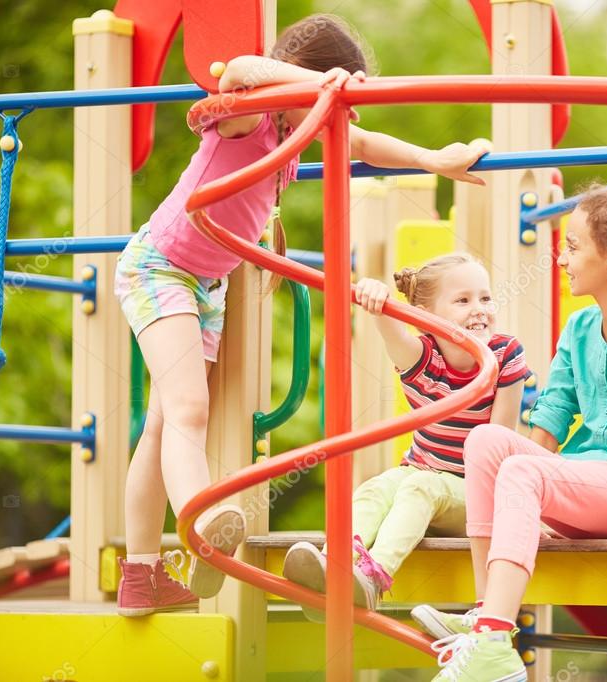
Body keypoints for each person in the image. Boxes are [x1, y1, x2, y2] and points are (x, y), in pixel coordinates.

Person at [114, 14, 491, 617]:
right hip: (160, 267)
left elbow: (363, 145)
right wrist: (317, 86)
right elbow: (237, 69)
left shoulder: (296, 134)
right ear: (304, 81)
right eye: (329, 101)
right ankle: (205, 528)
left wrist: (433, 160)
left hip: (207, 283)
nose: (333, 124)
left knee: (164, 425)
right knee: (188, 411)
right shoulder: (250, 116)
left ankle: (140, 576)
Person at [412, 181, 607, 681]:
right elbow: (551, 417)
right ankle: (488, 614)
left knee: (521, 471)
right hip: (592, 482)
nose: (561, 257)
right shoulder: (579, 329)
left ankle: (492, 642)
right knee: (486, 441)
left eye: (574, 246)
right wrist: (524, 496)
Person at [283, 253, 530, 618]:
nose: (479, 308)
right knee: (376, 487)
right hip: (423, 472)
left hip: (476, 492)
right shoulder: (422, 358)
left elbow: (498, 442)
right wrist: (378, 302)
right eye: (463, 300)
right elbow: (391, 331)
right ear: (427, 316)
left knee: (419, 488)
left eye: (485, 297)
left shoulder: (504, 354)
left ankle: (371, 580)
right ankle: (333, 566)